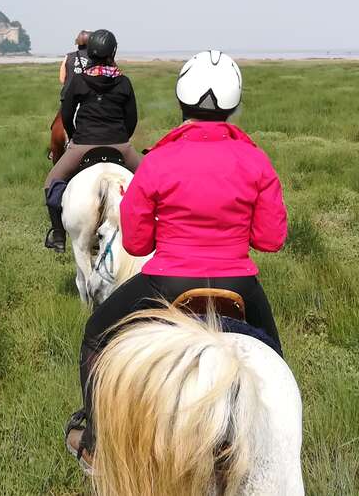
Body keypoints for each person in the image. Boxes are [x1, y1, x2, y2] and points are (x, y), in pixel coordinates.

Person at [65, 50, 288, 466]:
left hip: (165, 283)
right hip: (241, 285)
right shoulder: (257, 160)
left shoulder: (159, 160)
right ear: (233, 108)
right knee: (277, 363)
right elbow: (272, 239)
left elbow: (134, 243)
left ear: (181, 102)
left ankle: (95, 441)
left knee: (95, 336)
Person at [44, 29, 143, 253]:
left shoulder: (78, 81)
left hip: (83, 145)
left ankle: (58, 235)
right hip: (120, 146)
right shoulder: (124, 82)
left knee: (51, 184)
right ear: (113, 51)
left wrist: (75, 138)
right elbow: (132, 119)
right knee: (154, 182)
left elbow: (67, 116)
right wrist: (121, 139)